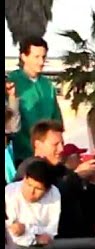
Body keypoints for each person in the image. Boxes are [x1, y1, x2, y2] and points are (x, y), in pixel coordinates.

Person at [6, 37, 61, 165]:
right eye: (36, 57)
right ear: (24, 57)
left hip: (47, 157)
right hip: (20, 158)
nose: (41, 61)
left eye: (44, 57)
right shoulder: (11, 82)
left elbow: (57, 121)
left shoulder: (48, 85)